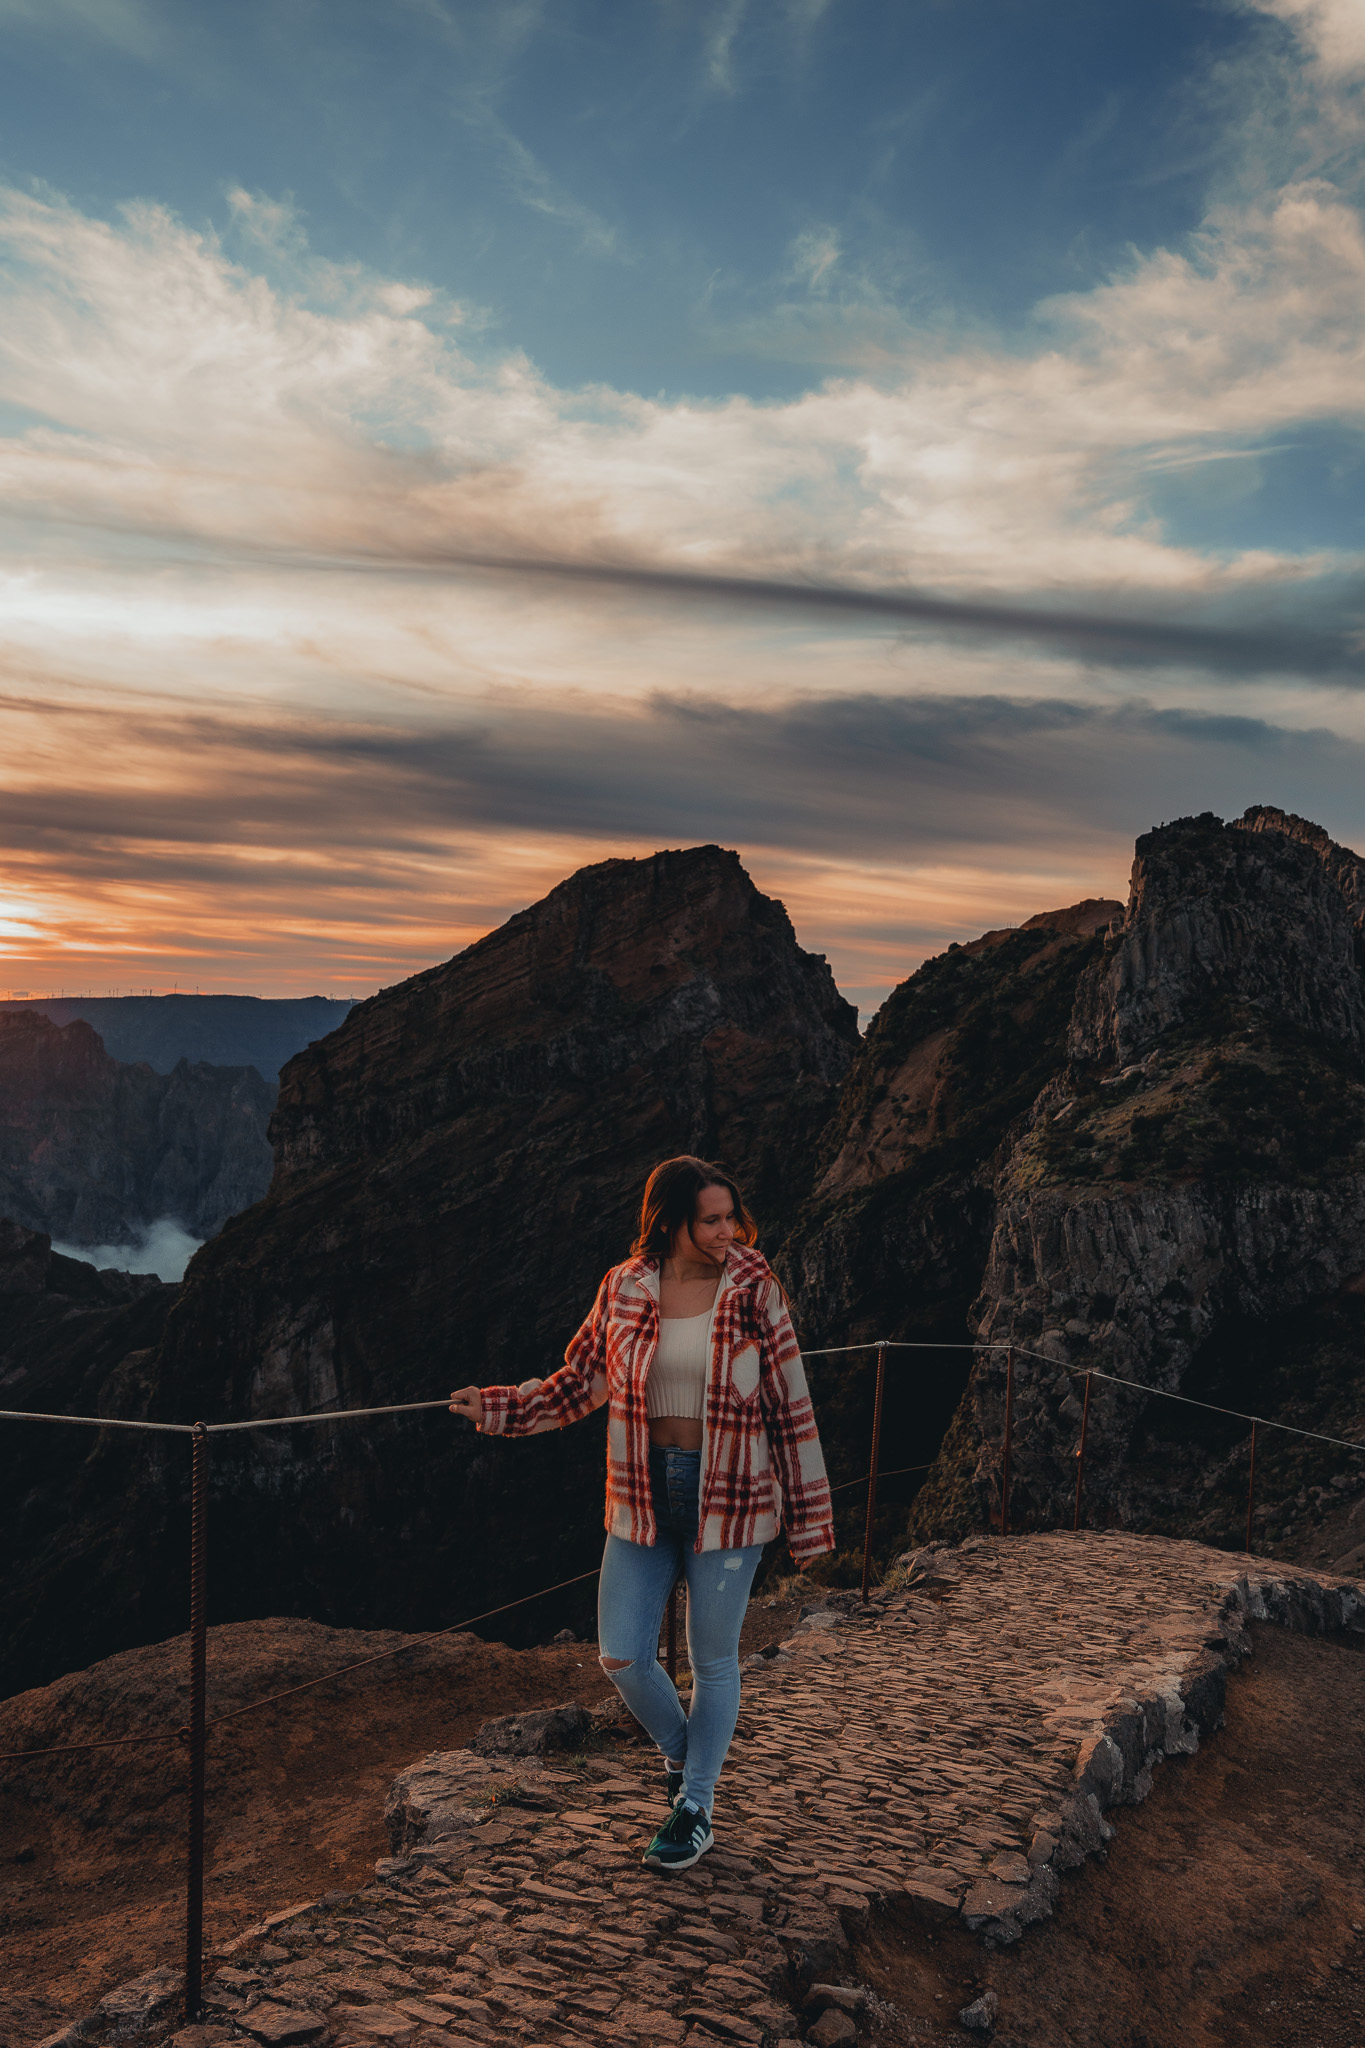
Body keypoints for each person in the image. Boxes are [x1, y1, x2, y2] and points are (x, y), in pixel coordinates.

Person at [448, 1154, 834, 1873]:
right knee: (621, 1654)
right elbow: (578, 1384)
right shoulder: (624, 1288)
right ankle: (686, 1760)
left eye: (730, 1217)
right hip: (641, 1491)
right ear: (673, 1222)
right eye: (709, 1220)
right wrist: (496, 1405)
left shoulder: (754, 1289)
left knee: (710, 1660)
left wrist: (810, 1520)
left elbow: (790, 1403)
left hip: (735, 1497)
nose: (726, 1232)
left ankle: (694, 1806)